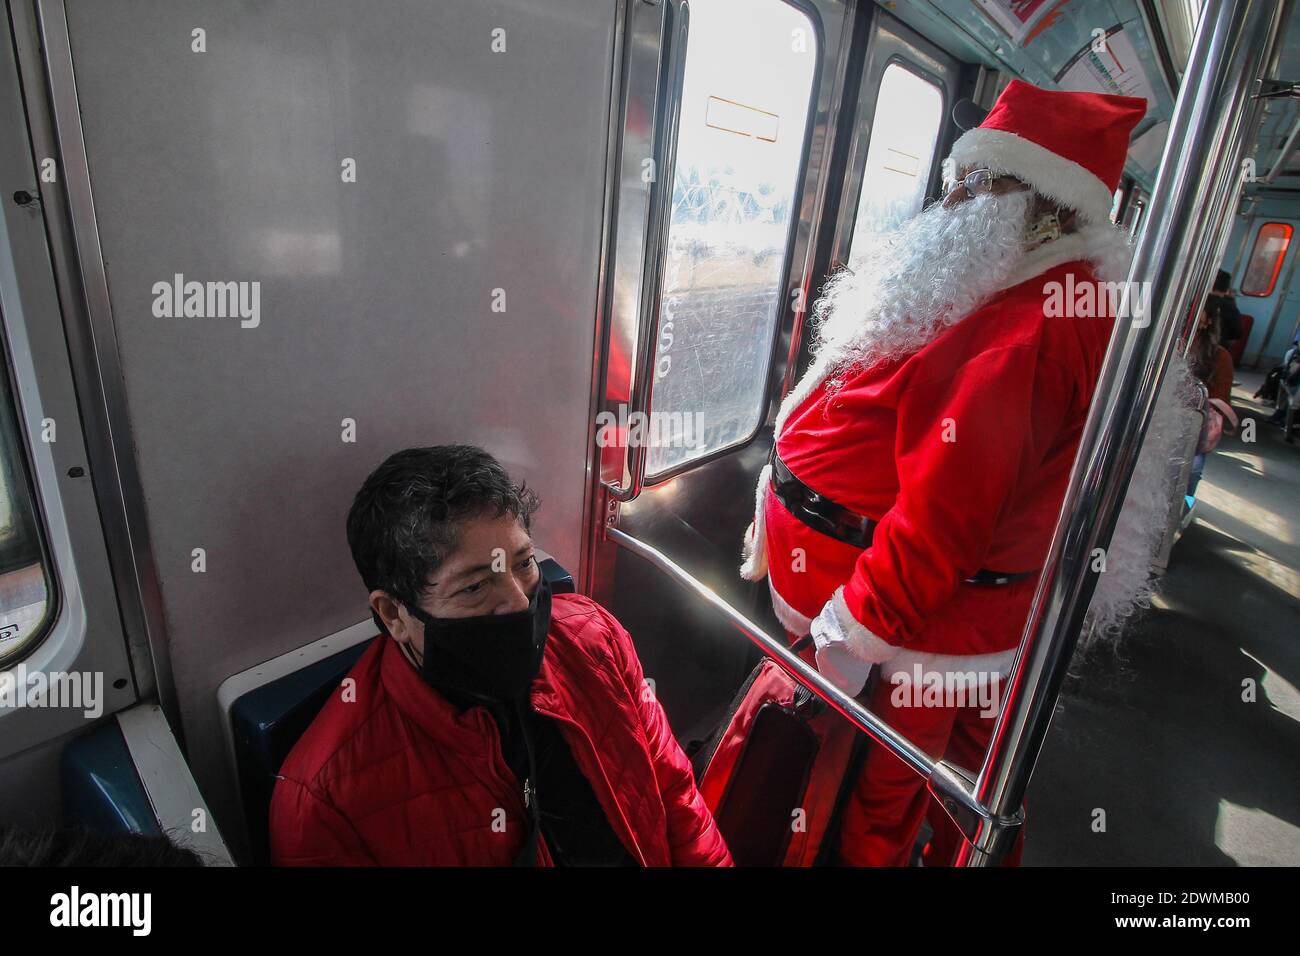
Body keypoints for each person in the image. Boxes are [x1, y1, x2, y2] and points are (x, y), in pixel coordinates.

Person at [739, 80, 1148, 866]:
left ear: (1042, 204)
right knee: (951, 776)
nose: (952, 194)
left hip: (921, 632)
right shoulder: (1033, 288)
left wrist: (855, 629)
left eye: (976, 180)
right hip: (939, 623)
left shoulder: (1029, 325)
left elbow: (946, 518)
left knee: (885, 792)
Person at [270, 445, 731, 866]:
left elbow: (673, 791)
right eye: (474, 586)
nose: (517, 601)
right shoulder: (325, 802)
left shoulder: (593, 636)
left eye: (524, 563)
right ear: (394, 614)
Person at [1186, 304, 1235, 500]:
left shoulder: (1220, 356)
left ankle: (1183, 508)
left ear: (1208, 321)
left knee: (1192, 471)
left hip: (1194, 421)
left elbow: (1220, 398)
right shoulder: (1167, 343)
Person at [1207, 269, 1243, 353]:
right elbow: (1237, 332)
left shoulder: (1204, 301)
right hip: (1221, 346)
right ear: (1227, 288)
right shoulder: (1231, 306)